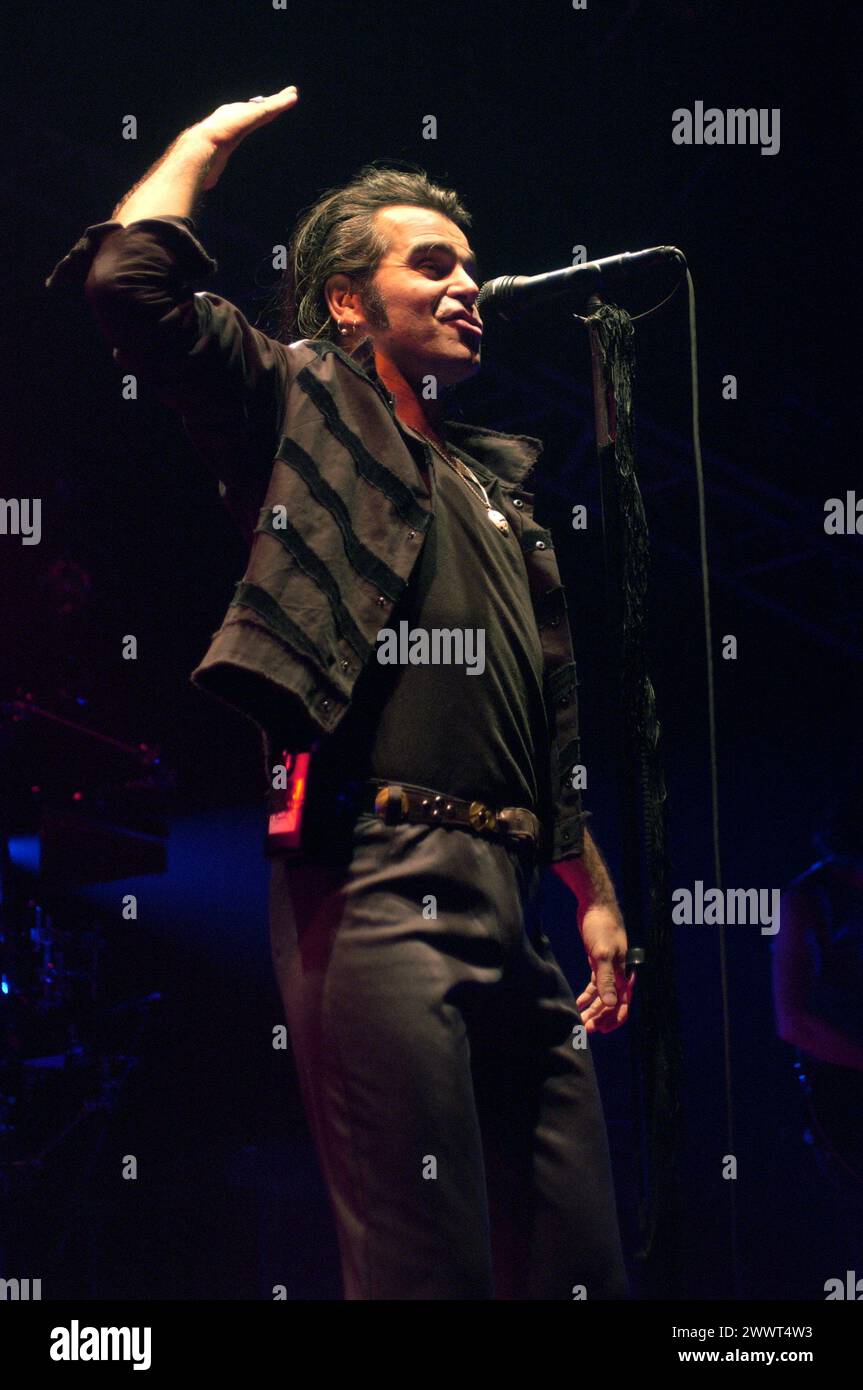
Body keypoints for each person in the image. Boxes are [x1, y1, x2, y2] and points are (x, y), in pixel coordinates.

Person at [46, 84, 636, 1299]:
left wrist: (591, 893)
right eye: (433, 265)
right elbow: (130, 291)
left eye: (472, 265)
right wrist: (203, 144)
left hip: (512, 900)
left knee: (580, 1266)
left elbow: (544, 713)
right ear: (346, 300)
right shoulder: (299, 404)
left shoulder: (499, 494)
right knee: (426, 1268)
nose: (469, 284)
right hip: (373, 879)